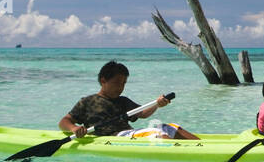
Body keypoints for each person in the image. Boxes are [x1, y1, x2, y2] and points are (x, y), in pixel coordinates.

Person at [59, 60, 199, 140]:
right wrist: (74, 128)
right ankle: (179, 153)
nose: (121, 87)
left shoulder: (123, 101)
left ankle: (202, 146)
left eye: (124, 83)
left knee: (171, 127)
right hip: (113, 138)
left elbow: (143, 113)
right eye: (117, 83)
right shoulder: (87, 101)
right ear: (103, 81)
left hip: (129, 134)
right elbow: (64, 121)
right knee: (155, 134)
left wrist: (157, 104)